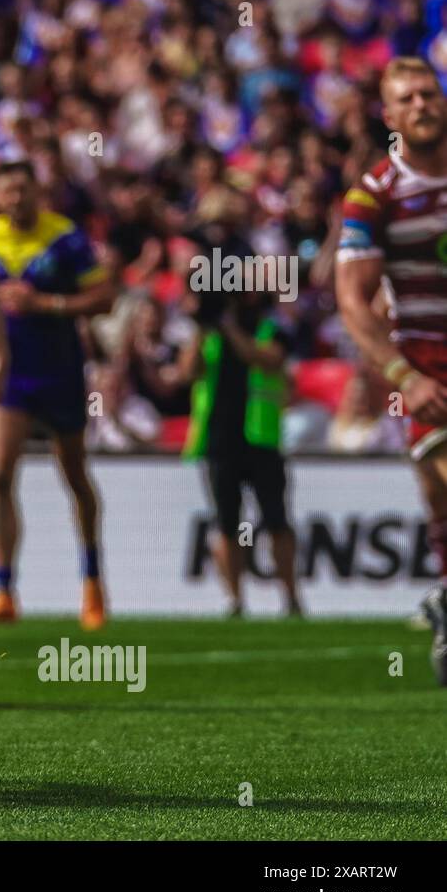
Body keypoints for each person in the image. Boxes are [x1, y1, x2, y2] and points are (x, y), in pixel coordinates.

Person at [335, 56, 447, 683]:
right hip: (427, 367)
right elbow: (353, 299)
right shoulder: (375, 193)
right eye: (406, 99)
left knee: (440, 504)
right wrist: (404, 377)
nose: (421, 106)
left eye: (429, 94)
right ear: (390, 115)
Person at [0, 162, 115, 629]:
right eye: (7, 190)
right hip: (11, 373)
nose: (15, 198)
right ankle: (3, 589)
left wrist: (46, 304)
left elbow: (104, 298)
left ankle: (92, 581)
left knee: (73, 472)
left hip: (60, 370)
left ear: (37, 193)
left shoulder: (65, 238)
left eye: (23, 189)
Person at [181, 253, 302, 618]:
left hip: (260, 438)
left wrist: (229, 325)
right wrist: (202, 326)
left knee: (276, 520)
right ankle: (234, 600)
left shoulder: (271, 327)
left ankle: (291, 597)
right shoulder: (209, 332)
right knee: (226, 522)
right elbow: (189, 370)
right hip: (218, 439)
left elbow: (266, 359)